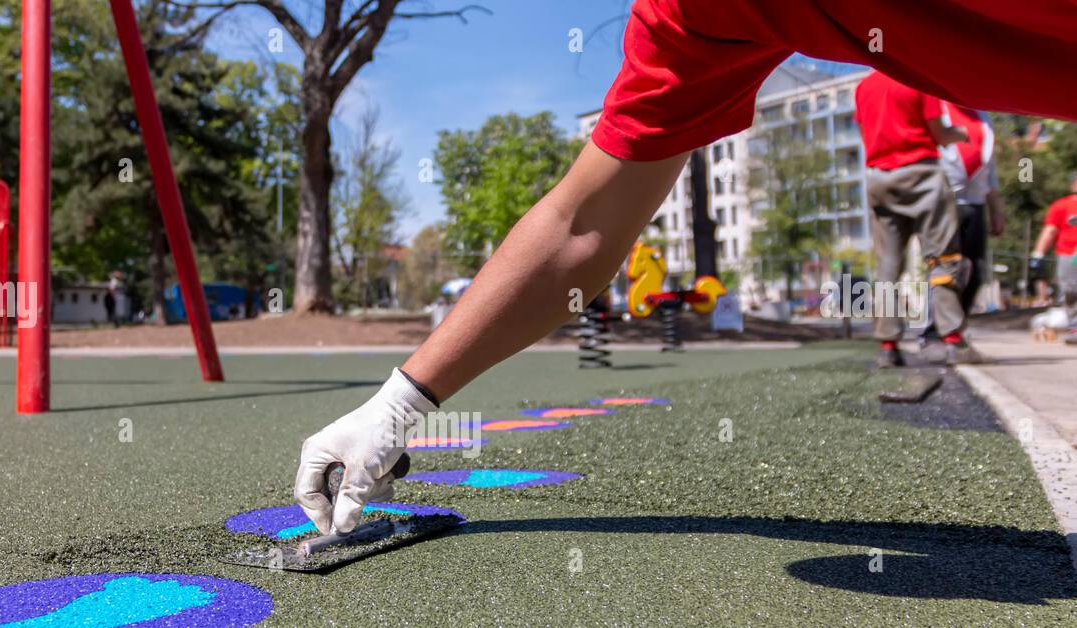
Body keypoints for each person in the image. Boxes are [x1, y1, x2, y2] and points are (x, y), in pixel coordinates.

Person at [296, 0, 1077, 535]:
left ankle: (928, 333)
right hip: (935, 148)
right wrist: (399, 402)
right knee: (924, 258)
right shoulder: (690, 14)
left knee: (924, 256)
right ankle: (927, 334)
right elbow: (581, 226)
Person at [854, 72, 976, 367]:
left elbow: (865, 134)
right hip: (922, 176)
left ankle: (888, 346)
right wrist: (962, 133)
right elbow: (939, 135)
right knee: (942, 258)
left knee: (888, 266)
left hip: (880, 180)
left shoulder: (863, 88)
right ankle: (953, 341)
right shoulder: (918, 79)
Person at [923, 103, 1006, 349]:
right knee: (945, 268)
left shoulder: (982, 115)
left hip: (976, 202)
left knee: (977, 272)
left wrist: (996, 209)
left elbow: (990, 169)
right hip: (945, 200)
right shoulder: (938, 109)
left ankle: (956, 325)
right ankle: (933, 331)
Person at [1029, 170, 1077, 343]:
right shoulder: (1062, 206)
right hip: (1068, 256)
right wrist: (1038, 253)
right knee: (1070, 291)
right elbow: (1050, 230)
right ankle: (1074, 326)